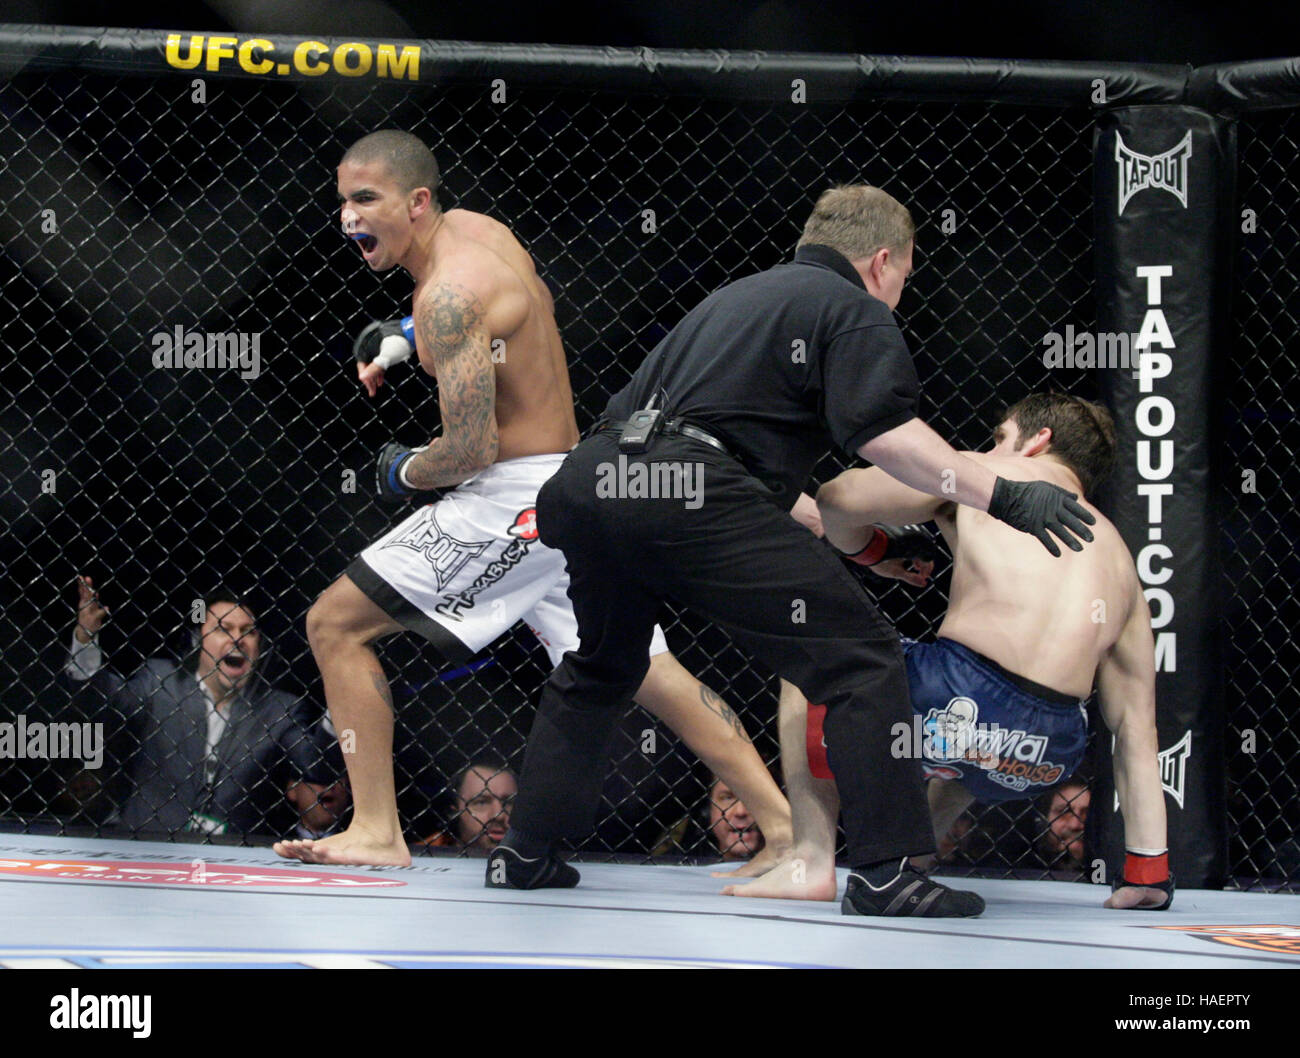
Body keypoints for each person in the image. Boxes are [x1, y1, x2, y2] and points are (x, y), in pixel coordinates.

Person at [490, 186, 1095, 917]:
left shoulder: (740, 298)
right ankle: (887, 872)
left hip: (592, 481)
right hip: (687, 488)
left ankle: (525, 852)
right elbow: (886, 438)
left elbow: (722, 466)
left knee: (602, 665)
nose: (901, 292)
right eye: (905, 275)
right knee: (862, 657)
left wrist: (867, 550)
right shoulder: (855, 309)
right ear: (881, 262)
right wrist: (1003, 495)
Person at [274, 130, 792, 869]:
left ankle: (378, 830)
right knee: (649, 670)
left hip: (513, 498)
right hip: (572, 484)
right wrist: (405, 335)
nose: (348, 217)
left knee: (334, 625)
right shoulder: (479, 233)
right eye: (341, 201)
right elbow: (526, 304)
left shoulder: (448, 296)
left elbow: (469, 449)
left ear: (416, 202)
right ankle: (781, 826)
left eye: (365, 199)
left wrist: (401, 470)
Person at [732, 393, 1172, 910]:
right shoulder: (1121, 560)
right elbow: (1137, 728)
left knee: (818, 660)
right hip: (1047, 752)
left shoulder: (985, 473)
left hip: (961, 698)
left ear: (1036, 442)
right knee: (968, 746)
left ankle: (809, 859)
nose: (993, 448)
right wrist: (1147, 870)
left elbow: (837, 498)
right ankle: (914, 861)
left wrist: (871, 551)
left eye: (1001, 437)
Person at [65, 576, 345, 838]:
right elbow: (100, 702)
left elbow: (317, 765)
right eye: (224, 628)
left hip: (233, 860)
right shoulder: (160, 682)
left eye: (248, 632)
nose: (238, 639)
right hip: (149, 848)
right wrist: (85, 639)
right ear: (199, 640)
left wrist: (343, 699)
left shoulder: (279, 709)